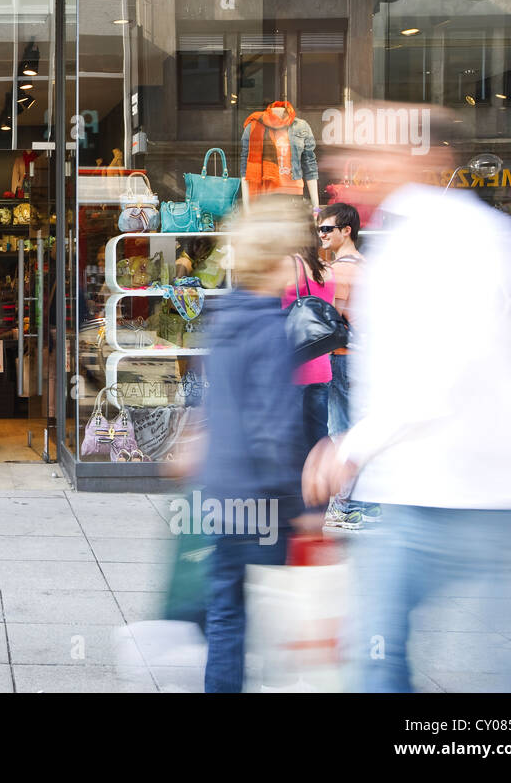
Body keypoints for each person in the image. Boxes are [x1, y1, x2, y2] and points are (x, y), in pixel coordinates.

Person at [302, 101, 511, 692]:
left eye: (377, 146)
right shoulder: (440, 231)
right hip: (441, 484)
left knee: (401, 661)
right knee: (388, 654)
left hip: (458, 487)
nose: (357, 159)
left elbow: (447, 366)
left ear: (426, 155)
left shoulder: (445, 239)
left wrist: (352, 446)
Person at [196, 197, 315, 693]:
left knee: (227, 617)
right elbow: (272, 430)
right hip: (262, 505)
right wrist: (301, 506)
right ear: (280, 259)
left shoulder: (223, 317)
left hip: (221, 494)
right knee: (289, 625)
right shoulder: (270, 328)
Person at [316, 202, 374, 528]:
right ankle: (365, 502)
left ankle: (345, 505)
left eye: (327, 229)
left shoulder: (342, 270)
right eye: (319, 229)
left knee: (340, 432)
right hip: (361, 356)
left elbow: (333, 318)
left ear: (346, 230)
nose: (321, 234)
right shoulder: (364, 264)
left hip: (341, 357)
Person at [280, 208, 334, 451]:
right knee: (318, 439)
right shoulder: (327, 270)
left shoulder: (287, 266)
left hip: (294, 366)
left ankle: (295, 488)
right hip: (322, 368)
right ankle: (319, 488)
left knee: (290, 442)